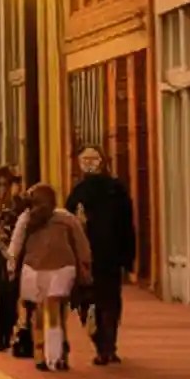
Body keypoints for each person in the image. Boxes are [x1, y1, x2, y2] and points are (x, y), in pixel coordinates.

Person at [8, 183, 92, 372]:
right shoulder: (40, 219)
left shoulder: (53, 219)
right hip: (49, 269)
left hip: (47, 270)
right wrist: (85, 262)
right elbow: (81, 244)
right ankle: (52, 354)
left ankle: (47, 355)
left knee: (45, 311)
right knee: (51, 312)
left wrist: (12, 264)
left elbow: (16, 243)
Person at [66, 145, 136, 365]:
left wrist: (127, 257)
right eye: (84, 159)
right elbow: (68, 226)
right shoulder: (77, 192)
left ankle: (108, 346)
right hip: (86, 258)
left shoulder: (116, 190)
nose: (89, 163)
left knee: (110, 301)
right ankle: (99, 342)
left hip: (110, 256)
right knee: (87, 302)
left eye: (94, 158)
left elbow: (127, 225)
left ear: (103, 161)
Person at [0, 166, 28, 351]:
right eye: (2, 184)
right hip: (1, 258)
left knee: (13, 297)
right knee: (5, 296)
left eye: (12, 183)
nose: (6, 188)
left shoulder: (21, 205)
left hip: (17, 257)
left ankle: (10, 334)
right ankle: (2, 336)